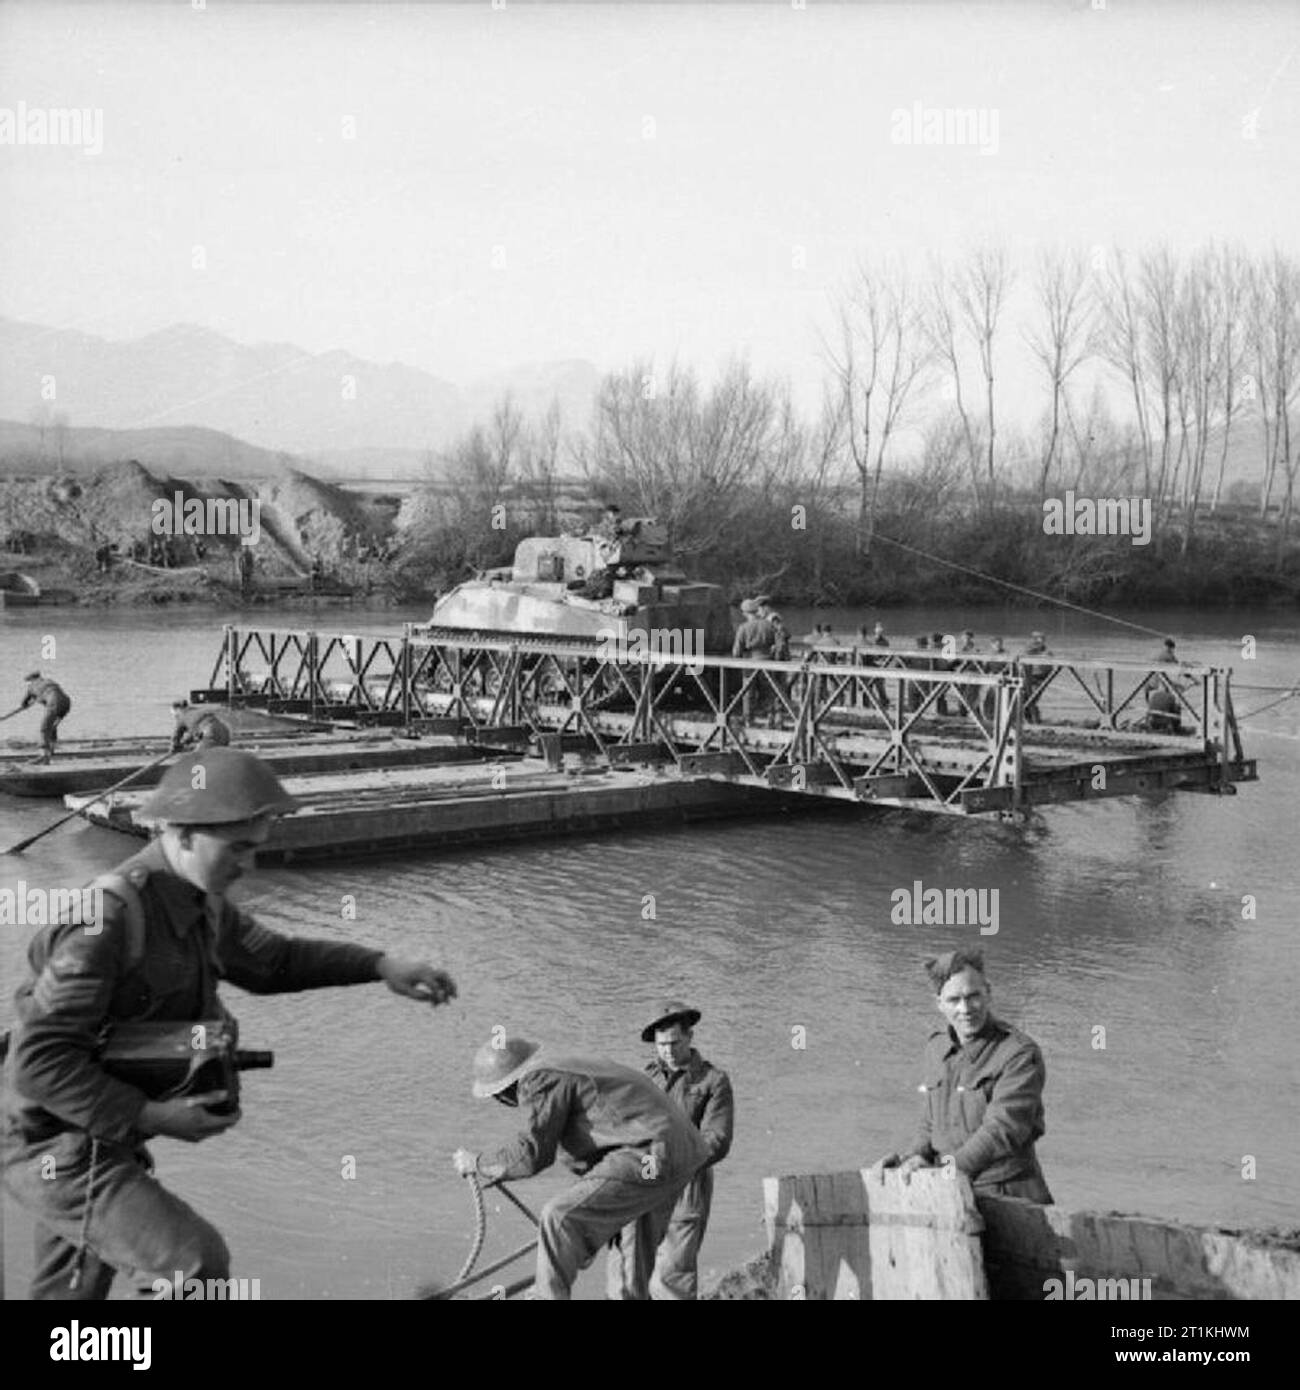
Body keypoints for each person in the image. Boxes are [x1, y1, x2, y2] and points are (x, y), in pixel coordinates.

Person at [1, 748, 457, 1300]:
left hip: (95, 1136)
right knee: (192, 1265)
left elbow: (276, 962)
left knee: (69, 1302)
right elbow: (36, 1062)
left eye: (255, 847)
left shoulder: (201, 904)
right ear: (183, 834)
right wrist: (152, 1114)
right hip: (50, 1142)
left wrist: (380, 965)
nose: (249, 865)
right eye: (237, 848)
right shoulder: (110, 921)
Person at [453, 1037, 709, 1300]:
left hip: (649, 1154)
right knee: (630, 1252)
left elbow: (532, 1154)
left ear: (502, 1092)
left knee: (558, 1217)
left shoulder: (538, 1081)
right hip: (679, 1153)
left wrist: (478, 1162)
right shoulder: (567, 1066)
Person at [877, 949, 1052, 1204]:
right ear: (939, 1004)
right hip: (949, 1190)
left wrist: (942, 1173)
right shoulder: (936, 1049)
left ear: (988, 992)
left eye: (973, 996)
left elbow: (1002, 1131)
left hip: (1007, 1196)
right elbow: (930, 1123)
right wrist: (914, 1158)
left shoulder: (1019, 1054)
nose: (966, 1008)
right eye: (954, 1000)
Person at [618, 1002, 733, 1300]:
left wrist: (672, 1161)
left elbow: (717, 1140)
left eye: (674, 1043)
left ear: (690, 1037)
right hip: (643, 1186)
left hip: (686, 1188)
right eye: (661, 1045)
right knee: (631, 1274)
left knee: (673, 1277)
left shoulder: (713, 1081)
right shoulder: (646, 1078)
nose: (667, 1051)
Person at [19, 671, 72, 764]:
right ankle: (51, 749)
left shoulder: (31, 687)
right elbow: (49, 691)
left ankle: (44, 756)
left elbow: (23, 703)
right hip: (66, 702)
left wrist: (26, 704)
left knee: (44, 728)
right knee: (52, 726)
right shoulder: (49, 681)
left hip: (54, 702)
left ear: (31, 680)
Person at [1019, 631, 1052, 724]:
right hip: (1027, 678)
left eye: (1042, 639)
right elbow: (1022, 660)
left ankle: (1034, 720)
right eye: (1037, 638)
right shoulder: (1028, 649)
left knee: (1032, 699)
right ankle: (1031, 720)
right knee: (1024, 699)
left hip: (1040, 679)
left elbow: (1050, 668)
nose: (1040, 640)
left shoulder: (1047, 652)